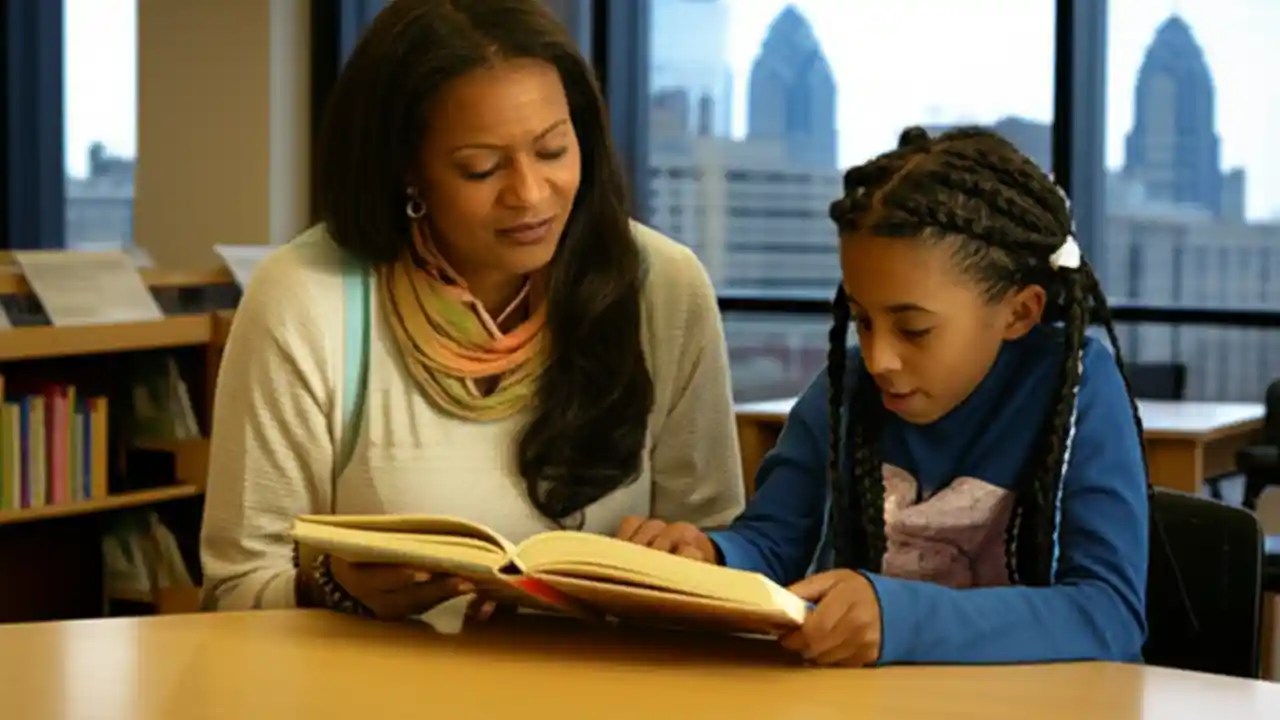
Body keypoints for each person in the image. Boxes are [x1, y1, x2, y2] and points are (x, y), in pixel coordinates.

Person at [199, 0, 744, 620]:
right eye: (481, 168)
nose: (531, 195)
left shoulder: (662, 285)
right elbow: (235, 589)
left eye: (552, 151)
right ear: (408, 171)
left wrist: (695, 556)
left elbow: (722, 550)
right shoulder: (305, 296)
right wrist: (333, 588)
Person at [618, 126, 1149, 667]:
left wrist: (900, 619)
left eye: (914, 329)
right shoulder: (843, 392)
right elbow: (776, 546)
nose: (878, 359)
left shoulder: (1078, 389)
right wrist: (707, 556)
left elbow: (1108, 615)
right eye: (863, 321)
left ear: (1019, 312)